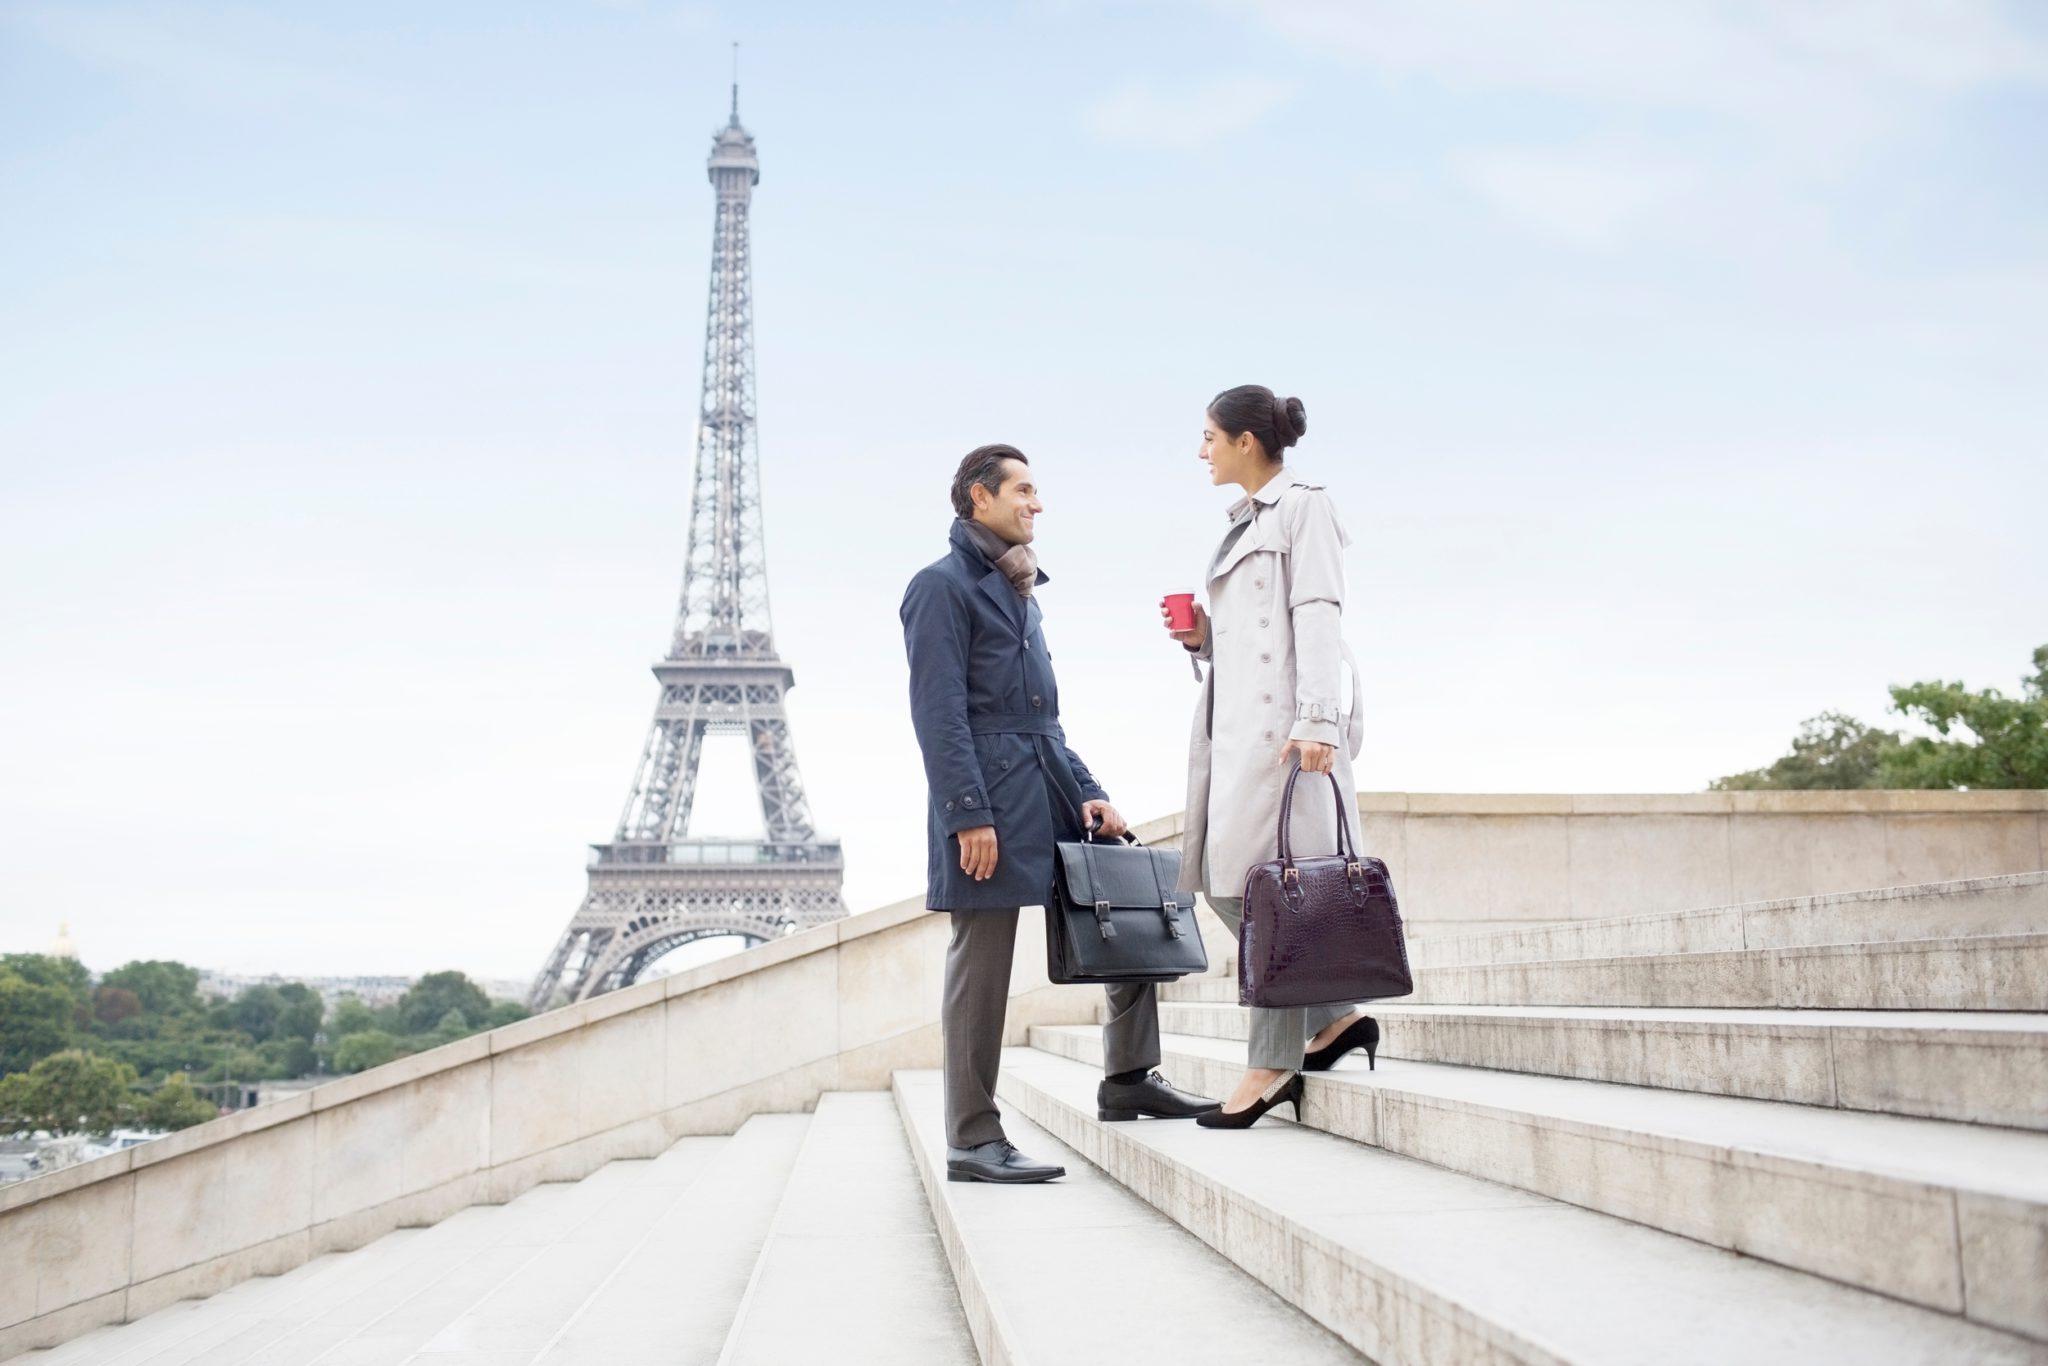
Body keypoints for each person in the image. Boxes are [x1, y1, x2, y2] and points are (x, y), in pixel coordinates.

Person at [903, 443, 1219, 1183]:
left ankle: (1129, 1077)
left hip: (1045, 786)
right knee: (981, 969)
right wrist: (966, 814)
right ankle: (972, 1139)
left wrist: (1088, 790)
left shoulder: (1020, 590)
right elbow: (938, 714)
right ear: (979, 498)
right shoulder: (940, 587)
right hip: (986, 804)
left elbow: (1044, 721)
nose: (1037, 503)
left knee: (1133, 907)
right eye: (1023, 489)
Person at [1163, 386, 1380, 1129]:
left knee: (1259, 894)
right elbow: (1257, 635)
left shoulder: (1305, 506)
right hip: (1237, 744)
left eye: (1209, 438)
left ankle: (1268, 1067)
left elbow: (1318, 612)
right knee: (1227, 885)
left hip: (1288, 742)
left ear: (1246, 442)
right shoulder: (1244, 522)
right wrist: (1202, 641)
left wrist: (1319, 720)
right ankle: (1334, 1015)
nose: (1202, 452)